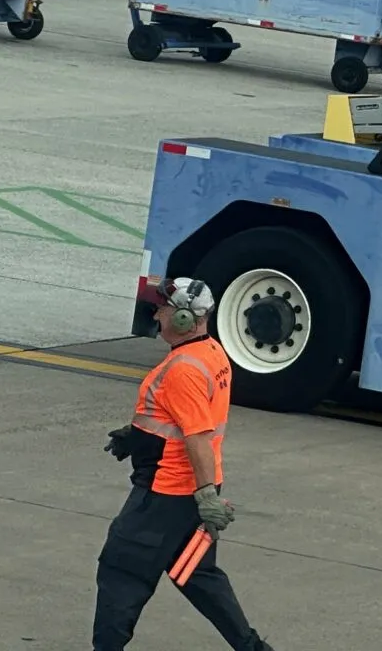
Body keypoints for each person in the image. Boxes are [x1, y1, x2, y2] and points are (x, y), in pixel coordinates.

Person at [92, 277, 272, 650]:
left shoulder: (183, 369)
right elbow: (181, 418)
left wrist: (207, 498)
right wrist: (136, 435)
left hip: (166, 496)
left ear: (185, 318)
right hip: (193, 493)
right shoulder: (211, 352)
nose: (156, 315)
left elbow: (197, 436)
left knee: (122, 570)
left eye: (163, 309)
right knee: (195, 572)